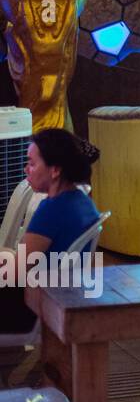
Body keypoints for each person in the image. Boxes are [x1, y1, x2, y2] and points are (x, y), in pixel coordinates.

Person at [0, 130, 101, 334]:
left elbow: (15, 273)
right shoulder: (82, 202)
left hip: (27, 310)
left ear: (55, 170)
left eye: (32, 163)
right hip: (54, 297)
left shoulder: (53, 209)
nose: (26, 169)